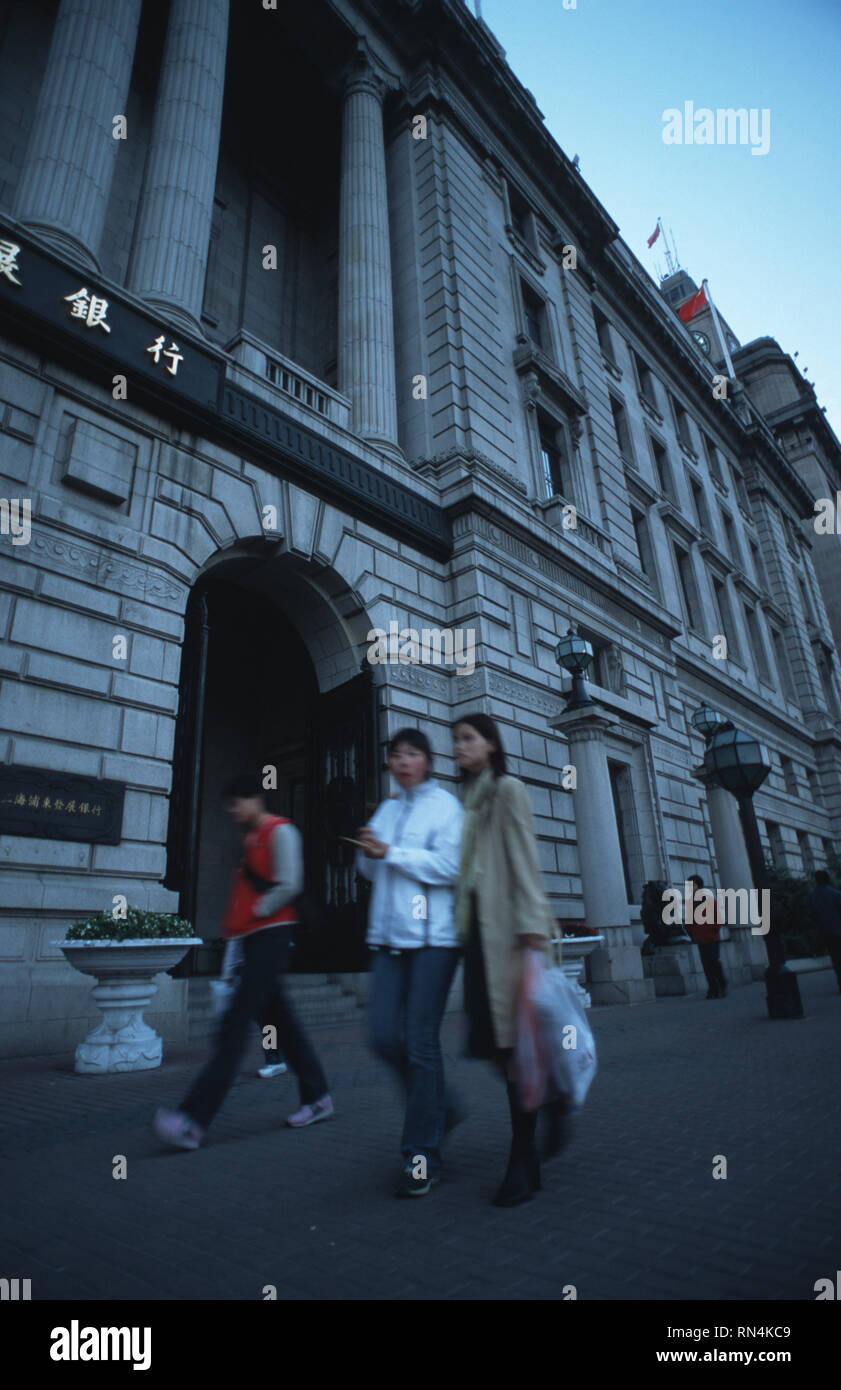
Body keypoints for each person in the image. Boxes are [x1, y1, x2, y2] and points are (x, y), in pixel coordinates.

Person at [152, 773, 331, 1150]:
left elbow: (290, 883)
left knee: (234, 1029)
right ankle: (317, 1097)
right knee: (286, 1026)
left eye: (236, 803)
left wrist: (259, 913)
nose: (233, 812)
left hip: (272, 938)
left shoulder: (280, 832)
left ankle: (192, 1121)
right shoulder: (248, 840)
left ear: (254, 799)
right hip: (252, 942)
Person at [452, 712, 568, 1208]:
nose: (458, 747)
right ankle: (554, 1099)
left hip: (511, 938)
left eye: (467, 738)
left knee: (516, 1049)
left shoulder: (508, 790)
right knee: (498, 1050)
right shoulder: (469, 801)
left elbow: (525, 862)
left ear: (492, 745)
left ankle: (523, 1160)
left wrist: (533, 929)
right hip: (477, 937)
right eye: (455, 740)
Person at [357, 728, 464, 1197]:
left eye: (412, 754)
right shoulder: (386, 808)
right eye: (395, 755)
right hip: (388, 940)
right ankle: (441, 1107)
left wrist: (392, 853)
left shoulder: (446, 808)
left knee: (421, 1044)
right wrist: (369, 853)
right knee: (381, 1036)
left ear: (428, 760)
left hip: (434, 941)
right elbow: (372, 871)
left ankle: (421, 1155)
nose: (402, 762)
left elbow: (450, 867)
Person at [687, 873, 727, 998]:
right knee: (706, 965)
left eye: (692, 885)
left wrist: (713, 930)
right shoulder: (691, 903)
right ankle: (712, 989)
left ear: (698, 886)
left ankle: (721, 983)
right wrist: (693, 933)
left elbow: (719, 918)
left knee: (713, 962)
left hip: (712, 937)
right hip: (700, 938)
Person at [806, 869, 841, 992]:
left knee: (835, 958)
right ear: (827, 879)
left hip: (826, 932)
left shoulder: (811, 896)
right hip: (839, 930)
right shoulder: (836, 894)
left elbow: (811, 915)